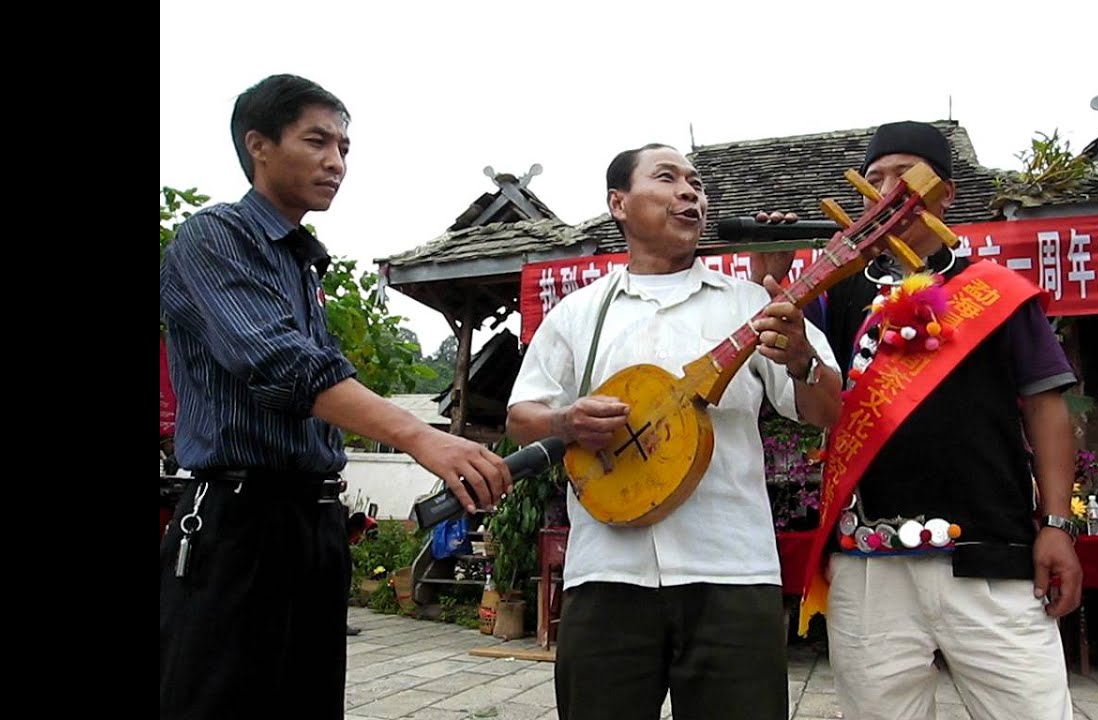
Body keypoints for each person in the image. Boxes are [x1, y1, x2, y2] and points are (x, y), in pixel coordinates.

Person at [159, 73, 512, 720]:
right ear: (258, 144)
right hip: (240, 518)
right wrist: (419, 434)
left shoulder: (302, 263)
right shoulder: (214, 239)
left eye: (344, 147)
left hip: (313, 520)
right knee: (220, 702)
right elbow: (278, 363)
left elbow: (319, 375)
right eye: (317, 141)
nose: (336, 162)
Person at [751, 120, 1083, 720]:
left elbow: (1046, 407)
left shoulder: (998, 292)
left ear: (945, 192)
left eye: (903, 173)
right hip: (867, 563)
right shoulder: (837, 296)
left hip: (991, 554)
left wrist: (1057, 523)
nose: (885, 190)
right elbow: (823, 406)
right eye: (872, 179)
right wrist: (782, 304)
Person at [506, 143, 842, 720]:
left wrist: (801, 357)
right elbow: (521, 417)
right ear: (619, 203)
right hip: (606, 572)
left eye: (696, 183)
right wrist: (566, 421)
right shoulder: (579, 313)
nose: (690, 191)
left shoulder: (752, 305)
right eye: (667, 178)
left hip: (733, 573)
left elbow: (823, 412)